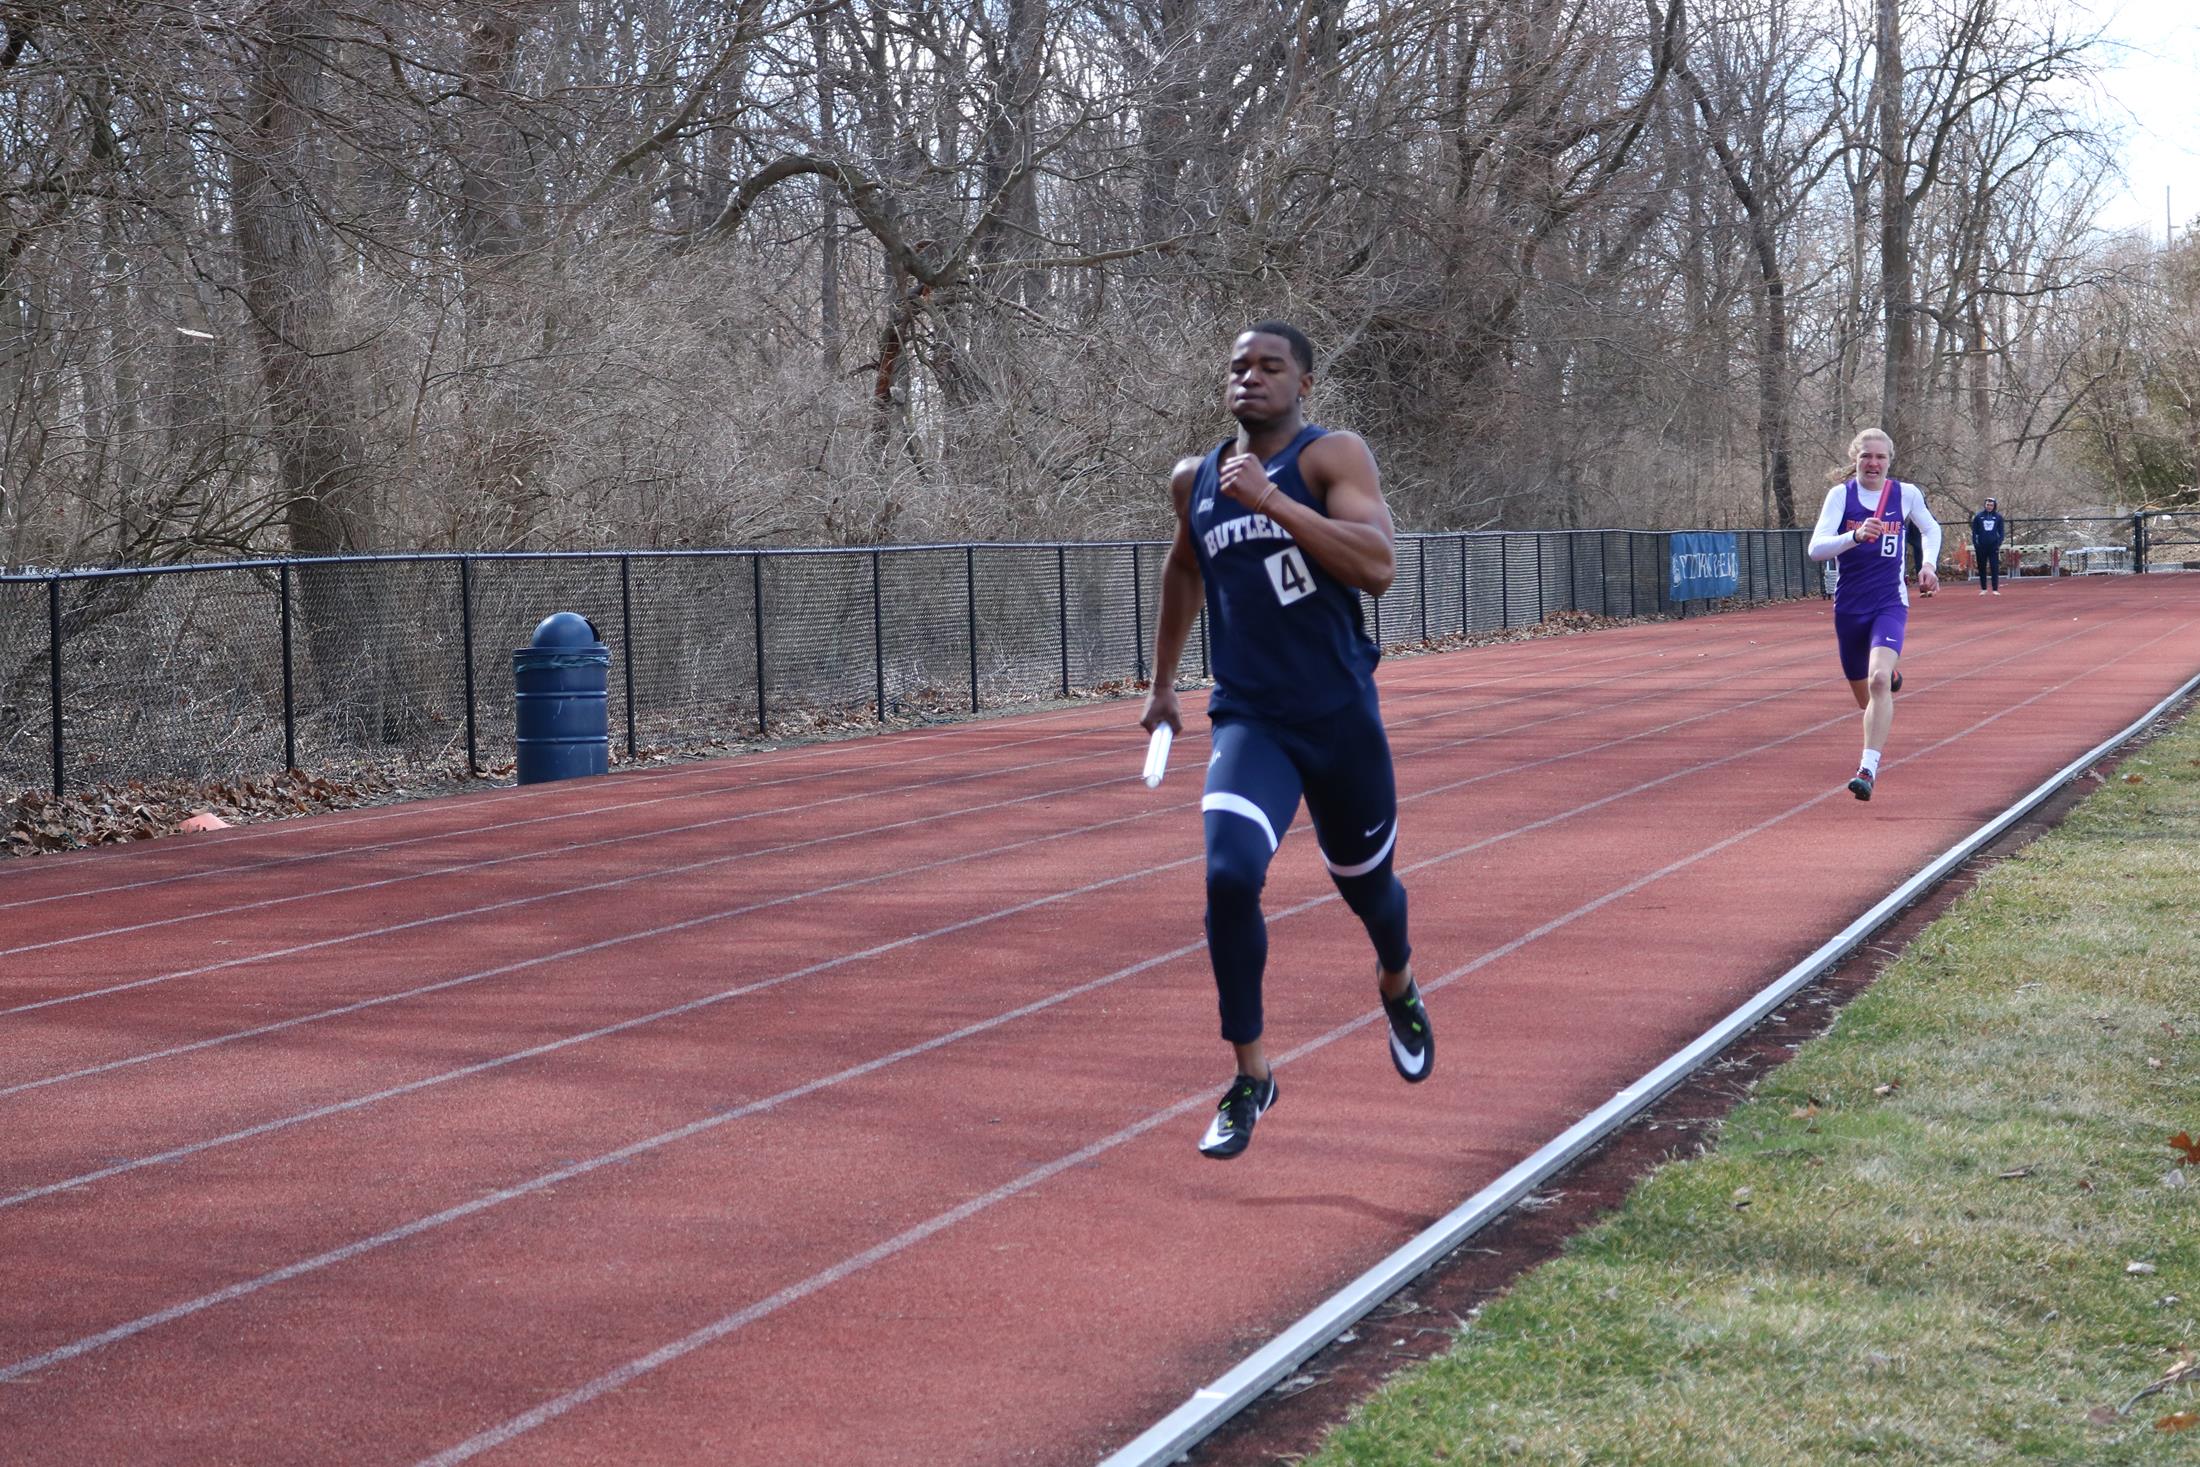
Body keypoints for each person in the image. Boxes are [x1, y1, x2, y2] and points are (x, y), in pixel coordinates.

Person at [1140, 321, 1430, 1161]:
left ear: (1302, 382)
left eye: (1270, 366)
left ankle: (1398, 981)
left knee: (1371, 894)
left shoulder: (1330, 457)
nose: (1250, 378)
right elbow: (1184, 567)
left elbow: (1377, 567)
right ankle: (1251, 1073)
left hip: (1338, 717)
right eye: (1238, 366)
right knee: (1229, 875)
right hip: (1251, 718)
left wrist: (1272, 501)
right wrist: (1162, 685)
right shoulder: (1194, 478)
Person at [1807, 428, 1941, 802]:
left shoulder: (1906, 494)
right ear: (1856, 459)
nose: (1873, 463)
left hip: (1889, 602)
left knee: (1879, 682)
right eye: (1867, 456)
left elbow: (1930, 528)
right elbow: (1816, 549)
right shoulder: (1841, 497)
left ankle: (1867, 768)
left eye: (1880, 457)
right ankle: (1888, 679)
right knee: (1867, 700)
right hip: (1849, 608)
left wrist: (1928, 564)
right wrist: (1854, 536)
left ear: (1889, 461)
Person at [1970, 496, 2006, 594]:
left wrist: (1998, 543)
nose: (1989, 506)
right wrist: (1976, 544)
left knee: (1994, 567)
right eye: (1987, 505)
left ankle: (1995, 589)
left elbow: (2001, 532)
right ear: (1985, 505)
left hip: (1993, 546)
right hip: (1981, 546)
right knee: (1981, 567)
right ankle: (1984, 588)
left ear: (1994, 506)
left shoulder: (1998, 517)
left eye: (1991, 505)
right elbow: (1974, 532)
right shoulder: (1978, 517)